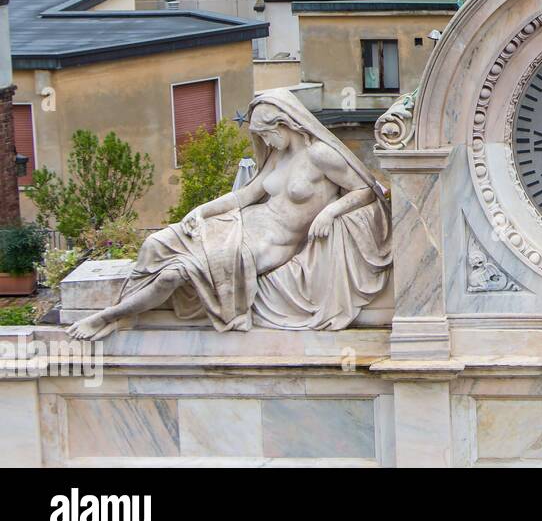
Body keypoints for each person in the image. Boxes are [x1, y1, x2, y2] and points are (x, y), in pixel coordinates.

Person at [68, 89, 391, 340]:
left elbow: (368, 190)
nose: (264, 142)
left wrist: (331, 212)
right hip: (238, 225)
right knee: (158, 242)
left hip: (267, 244)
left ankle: (110, 316)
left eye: (265, 134)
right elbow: (245, 196)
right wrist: (200, 211)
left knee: (175, 274)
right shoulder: (279, 157)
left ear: (285, 125)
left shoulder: (322, 155)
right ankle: (127, 305)